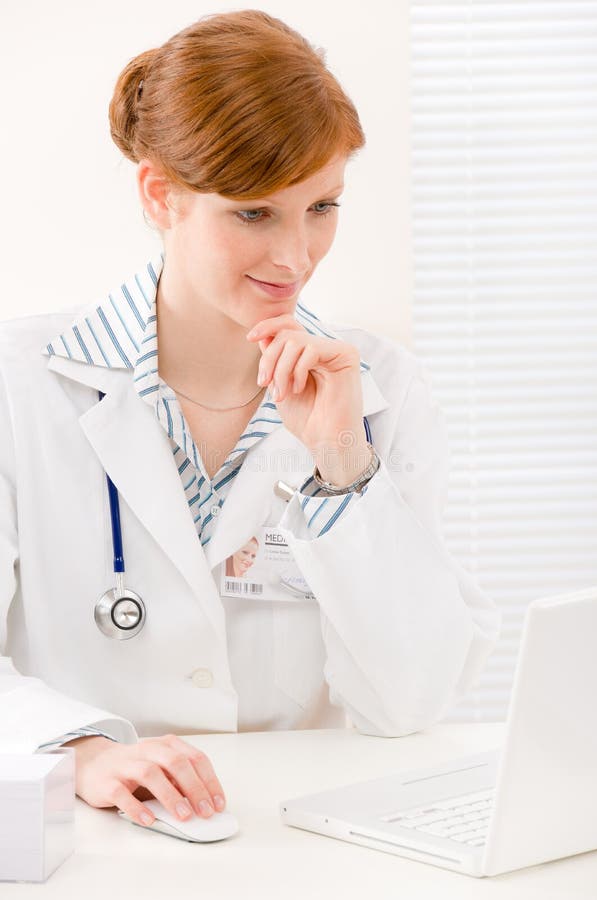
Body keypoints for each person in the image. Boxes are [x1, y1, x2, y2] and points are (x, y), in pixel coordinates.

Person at [0, 10, 501, 833]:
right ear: (161, 195)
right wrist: (86, 753)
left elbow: (412, 700)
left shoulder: (383, 390)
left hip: (305, 841)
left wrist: (344, 465)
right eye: (253, 214)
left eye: (323, 207)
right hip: (90, 841)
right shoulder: (20, 384)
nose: (295, 257)